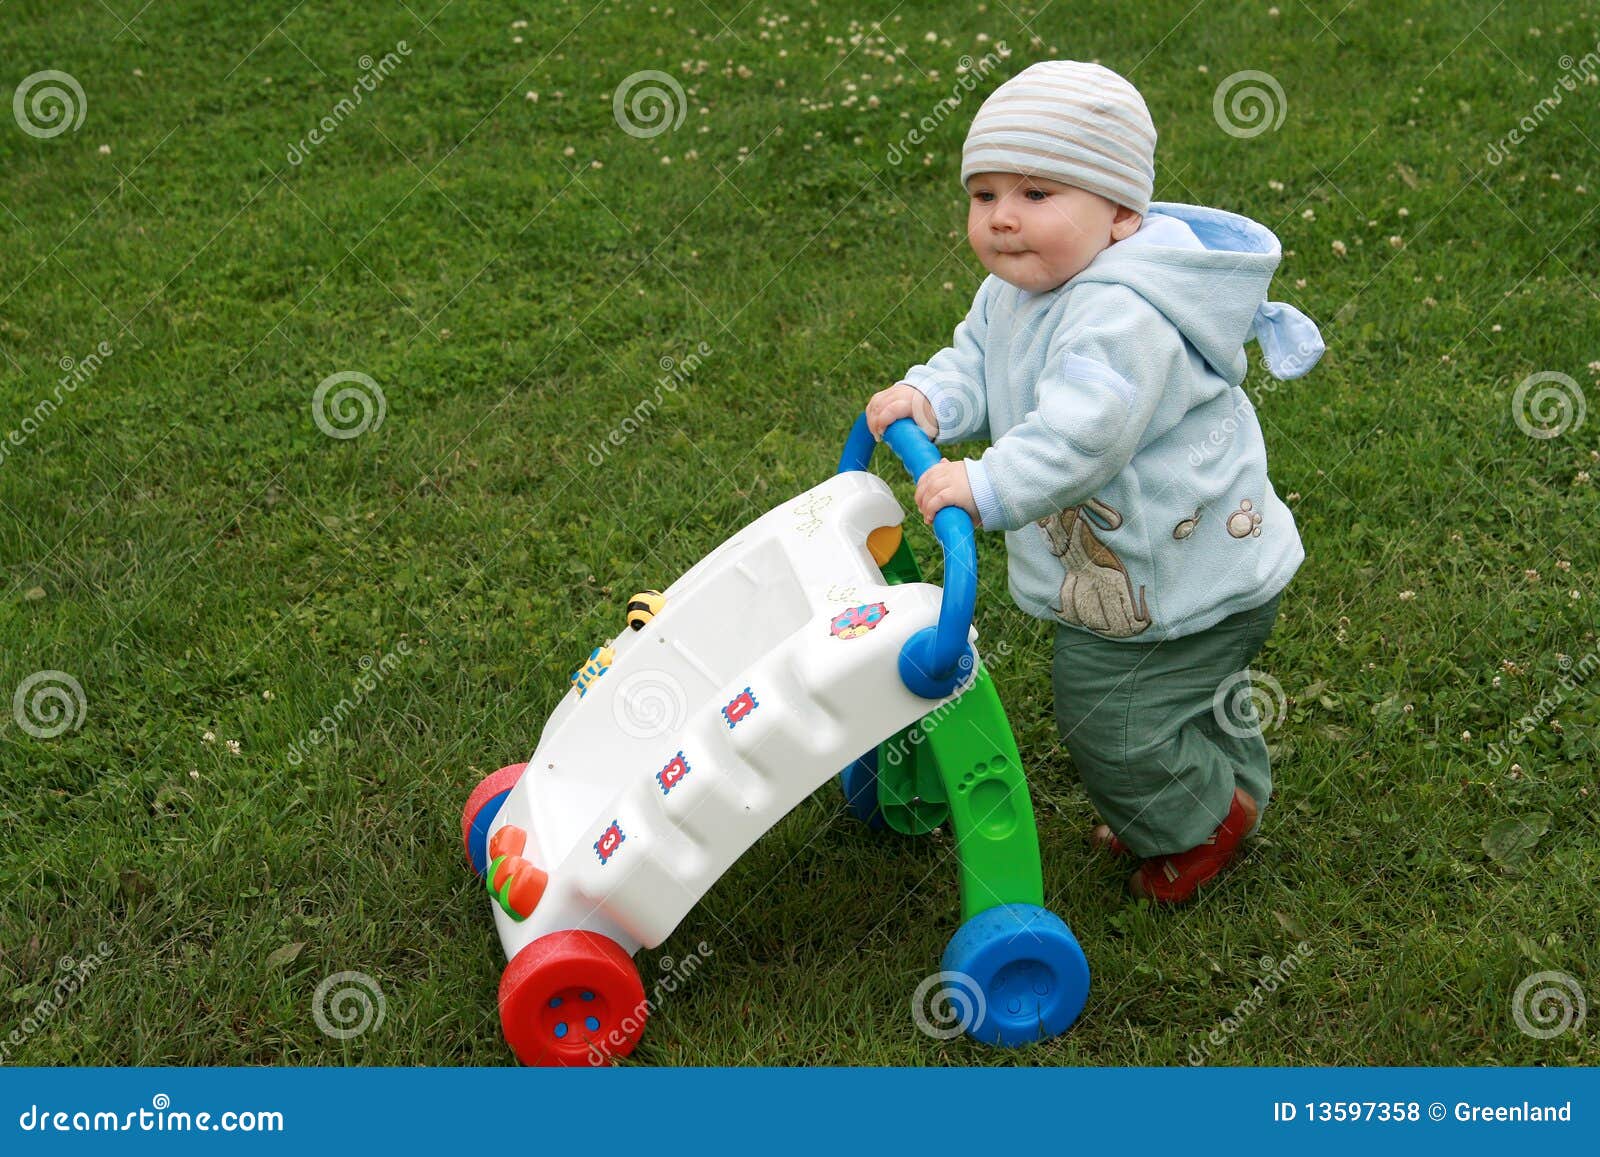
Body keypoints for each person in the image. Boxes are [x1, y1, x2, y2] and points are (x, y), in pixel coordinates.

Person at [865, 60, 1324, 903]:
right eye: (984, 193)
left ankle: (1196, 821)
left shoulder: (1122, 316)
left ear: (1119, 213)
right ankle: (1225, 789)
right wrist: (933, 395)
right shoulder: (1020, 287)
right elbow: (980, 356)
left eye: (1037, 193)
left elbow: (1085, 437)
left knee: (1106, 714)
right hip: (1189, 561)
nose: (1002, 216)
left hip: (1165, 579)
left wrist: (985, 483)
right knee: (1193, 696)